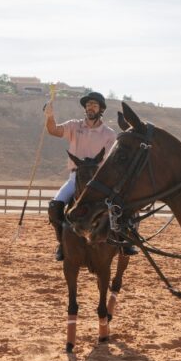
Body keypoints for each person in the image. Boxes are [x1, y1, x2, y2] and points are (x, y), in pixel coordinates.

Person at [44, 92, 137, 261]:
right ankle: (61, 242)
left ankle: (125, 242)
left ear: (101, 109)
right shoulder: (74, 126)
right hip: (76, 178)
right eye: (88, 105)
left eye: (94, 105)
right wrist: (49, 116)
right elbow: (53, 130)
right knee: (54, 206)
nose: (90, 108)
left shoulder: (109, 134)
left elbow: (112, 159)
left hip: (100, 180)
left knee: (122, 207)